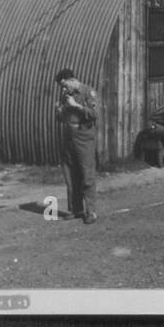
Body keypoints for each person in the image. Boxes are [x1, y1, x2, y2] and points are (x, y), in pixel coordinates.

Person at [54, 67, 98, 224]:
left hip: (84, 136)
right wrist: (59, 111)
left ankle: (91, 211)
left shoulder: (87, 92)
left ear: (73, 81)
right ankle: (75, 208)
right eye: (62, 87)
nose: (64, 89)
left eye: (65, 86)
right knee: (70, 173)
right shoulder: (66, 95)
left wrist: (76, 106)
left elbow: (94, 114)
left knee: (87, 174)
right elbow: (60, 117)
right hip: (69, 136)